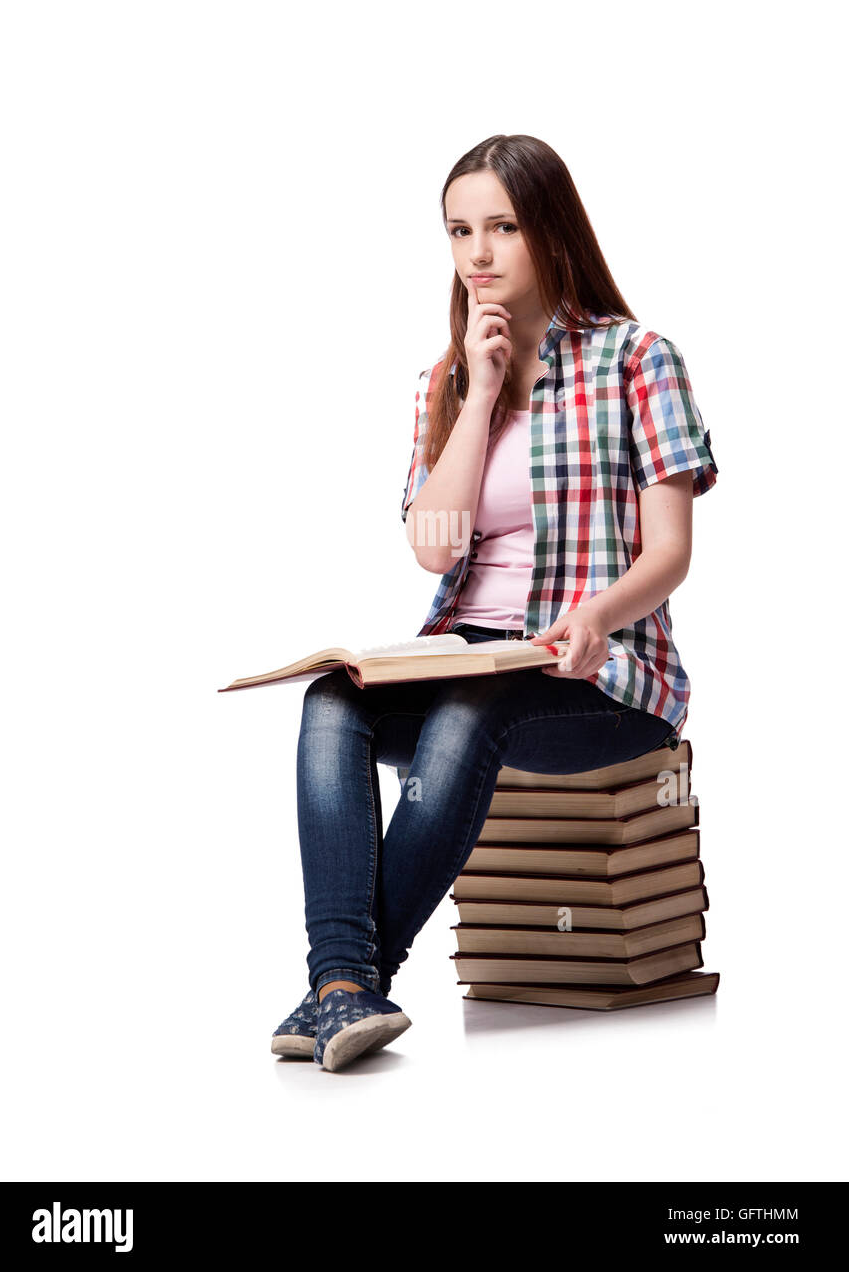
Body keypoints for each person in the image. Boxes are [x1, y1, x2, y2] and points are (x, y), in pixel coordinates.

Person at [272, 133, 719, 1073]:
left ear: (550, 230)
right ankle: (345, 987)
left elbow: (670, 552)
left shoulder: (637, 359)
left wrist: (597, 615)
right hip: (470, 654)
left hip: (599, 672)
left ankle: (345, 980)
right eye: (458, 231)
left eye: (502, 227)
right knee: (331, 699)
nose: (477, 254)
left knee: (472, 713)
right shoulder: (443, 381)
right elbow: (432, 546)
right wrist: (476, 397)